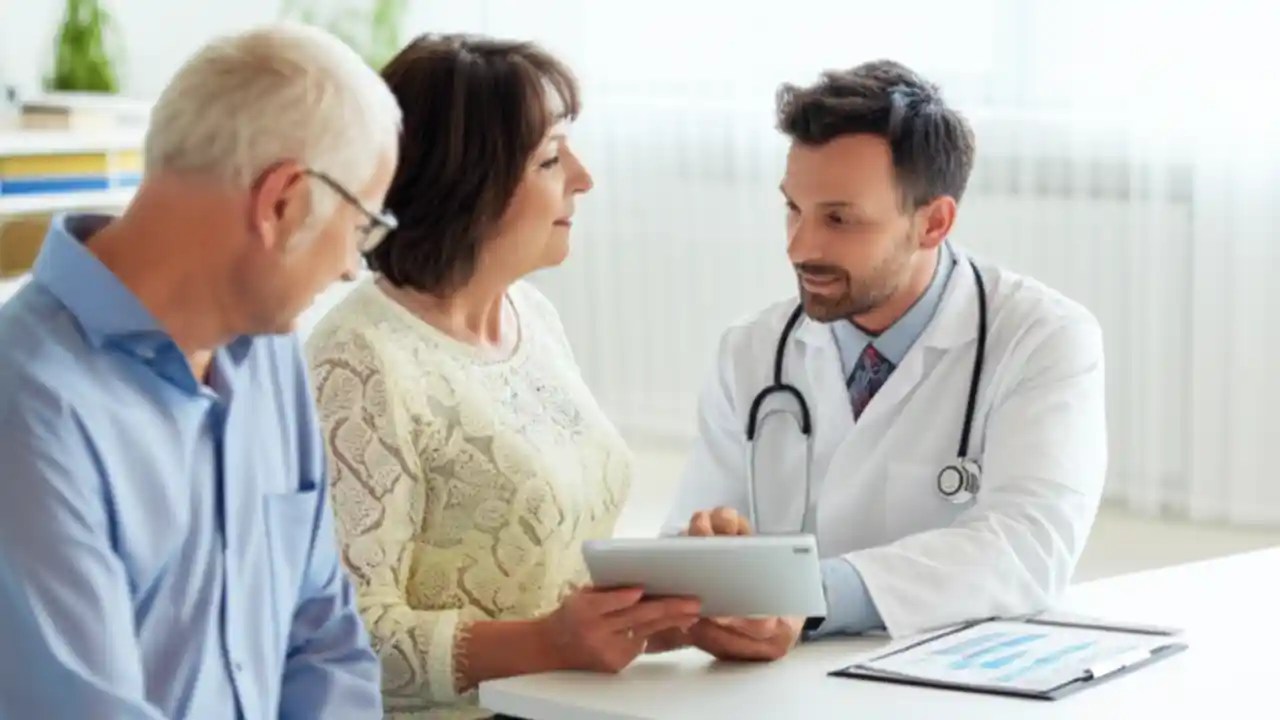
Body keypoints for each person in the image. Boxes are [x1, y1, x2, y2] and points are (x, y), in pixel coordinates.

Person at [0, 23, 401, 718]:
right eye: (361, 226)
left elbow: (325, 638)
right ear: (283, 201)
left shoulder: (268, 352)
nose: (350, 267)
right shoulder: (29, 403)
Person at [304, 35, 701, 719]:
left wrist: (678, 608)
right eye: (550, 157)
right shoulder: (359, 361)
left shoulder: (532, 317)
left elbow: (551, 582)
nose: (583, 176)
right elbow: (342, 636)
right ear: (468, 185)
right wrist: (543, 643)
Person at [656, 59, 1107, 660]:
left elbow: (1029, 545)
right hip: (779, 687)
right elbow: (689, 548)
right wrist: (707, 563)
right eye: (794, 209)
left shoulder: (1042, 337)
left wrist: (810, 596)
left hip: (957, 681)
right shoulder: (753, 351)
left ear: (934, 222)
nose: (800, 246)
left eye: (840, 219)